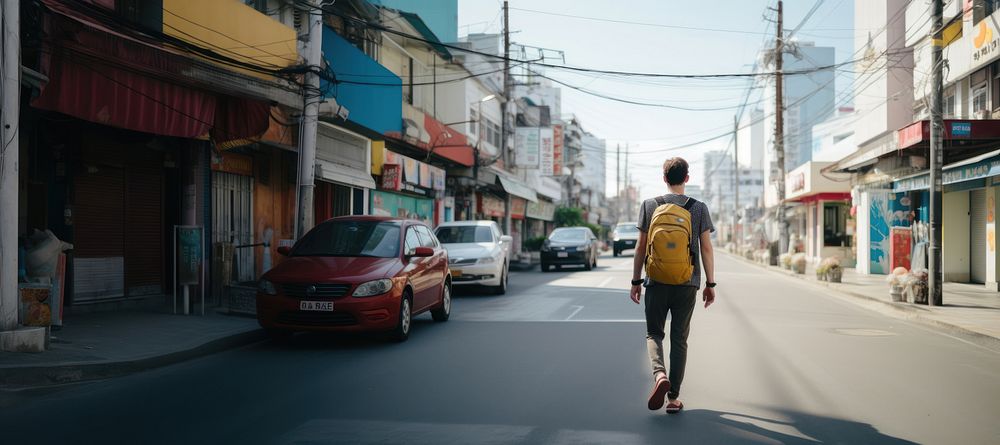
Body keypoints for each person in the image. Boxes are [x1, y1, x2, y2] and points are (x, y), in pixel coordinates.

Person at [629, 157, 716, 414]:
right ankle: (673, 398)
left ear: (664, 178)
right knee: (679, 339)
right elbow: (707, 249)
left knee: (654, 333)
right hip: (686, 283)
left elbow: (641, 246)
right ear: (687, 178)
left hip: (655, 280)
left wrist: (636, 281)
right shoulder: (699, 208)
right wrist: (710, 283)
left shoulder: (649, 205)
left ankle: (659, 375)